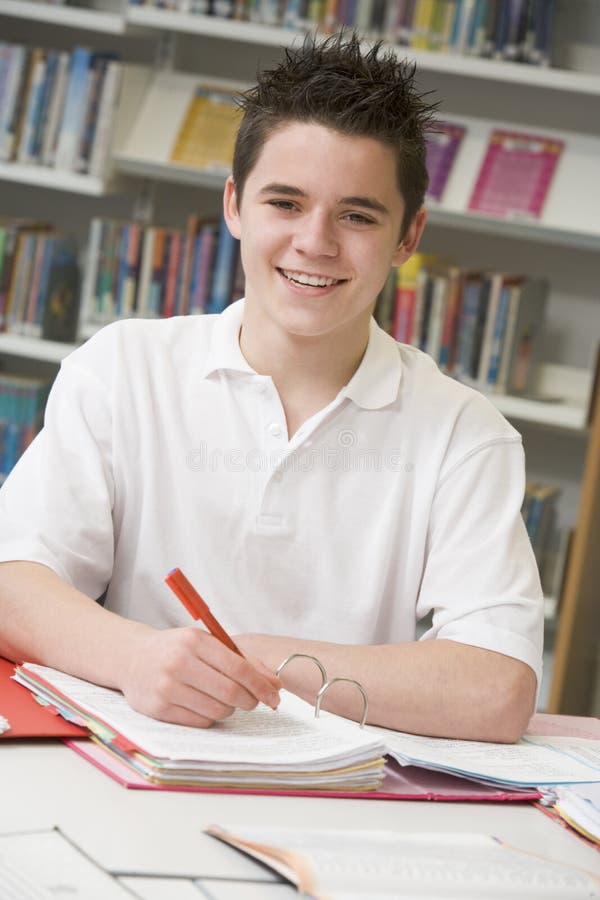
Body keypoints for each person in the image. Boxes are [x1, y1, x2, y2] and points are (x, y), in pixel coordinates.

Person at [0, 34, 543, 741]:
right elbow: (13, 580)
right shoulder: (122, 368)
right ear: (234, 205)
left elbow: (497, 688)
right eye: (285, 203)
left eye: (357, 215)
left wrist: (245, 659)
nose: (315, 242)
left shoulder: (465, 433)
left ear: (408, 236)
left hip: (342, 796)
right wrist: (142, 658)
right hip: (131, 763)